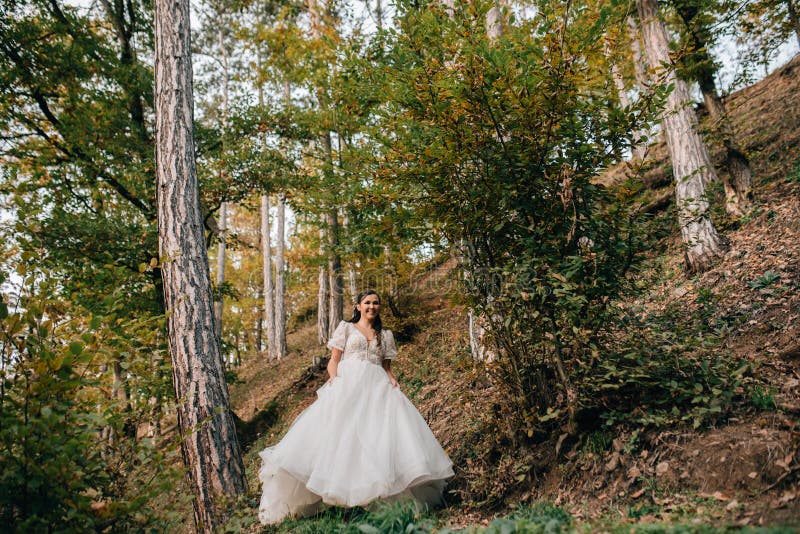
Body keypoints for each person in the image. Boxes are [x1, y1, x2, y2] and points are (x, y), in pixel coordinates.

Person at [257, 290, 454, 525]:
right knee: (341, 436)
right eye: (367, 302)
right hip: (347, 383)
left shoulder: (385, 335)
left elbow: (386, 365)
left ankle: (376, 496)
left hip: (377, 386)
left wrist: (391, 379)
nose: (372, 306)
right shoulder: (346, 329)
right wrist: (334, 379)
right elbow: (334, 360)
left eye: (376, 303)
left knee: (377, 436)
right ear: (358, 306)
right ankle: (335, 494)